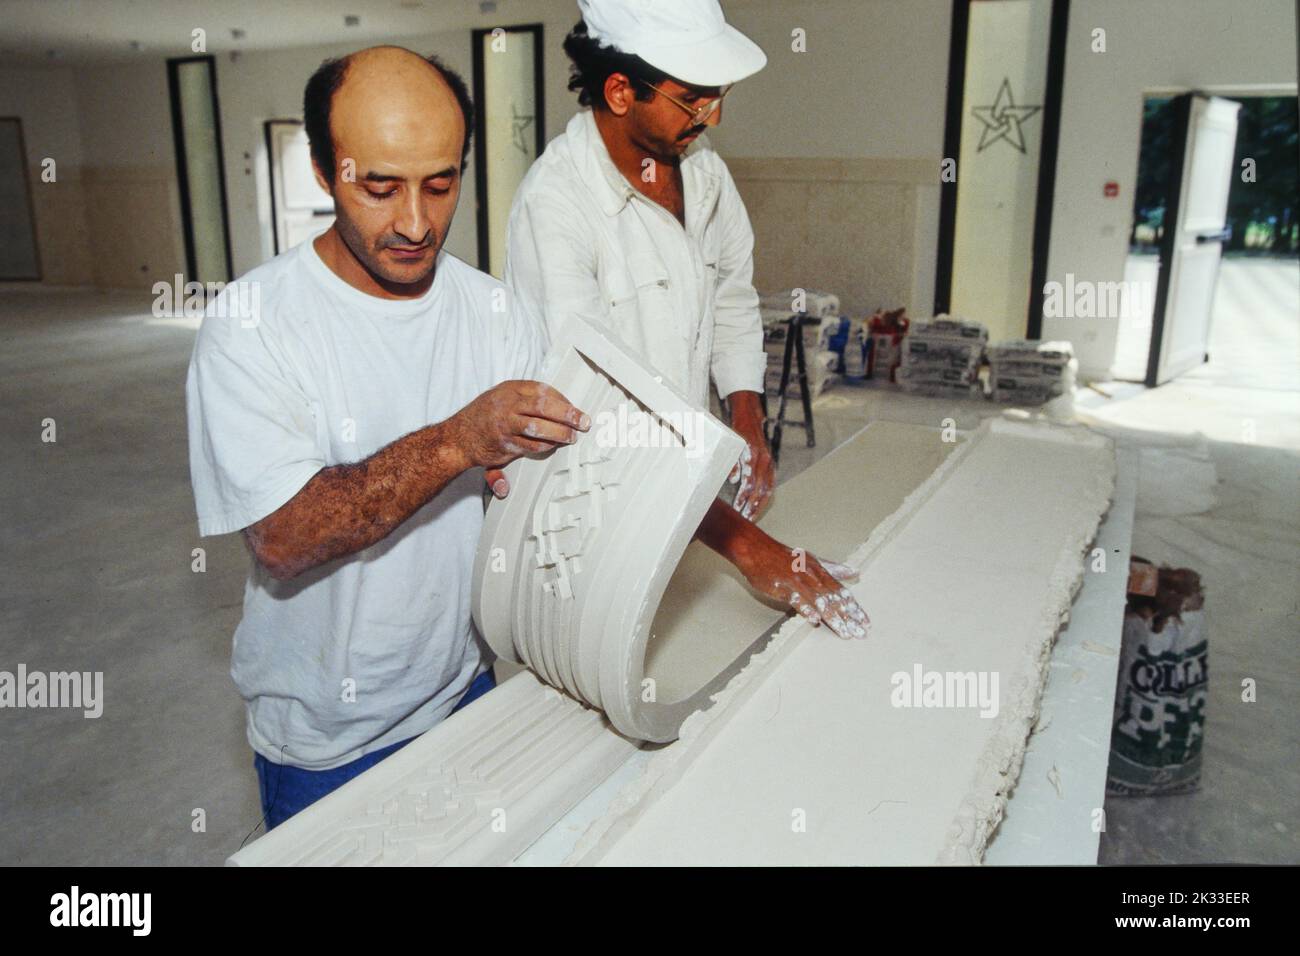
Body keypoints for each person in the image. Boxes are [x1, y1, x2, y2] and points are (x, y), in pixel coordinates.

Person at [185, 47, 586, 829]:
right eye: (379, 187)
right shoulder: (252, 326)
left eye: (440, 184)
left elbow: (548, 498)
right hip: (326, 740)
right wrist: (461, 441)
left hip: (465, 689)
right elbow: (286, 537)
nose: (415, 222)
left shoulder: (497, 314)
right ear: (322, 170)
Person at [506, 0, 869, 639]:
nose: (714, 116)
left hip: (687, 492)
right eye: (694, 98)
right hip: (590, 507)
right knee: (609, 655)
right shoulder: (556, 204)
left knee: (694, 638)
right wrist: (749, 546)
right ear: (620, 91)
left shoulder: (705, 175)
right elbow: (600, 412)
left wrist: (747, 419)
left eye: (718, 94)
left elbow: (731, 299)